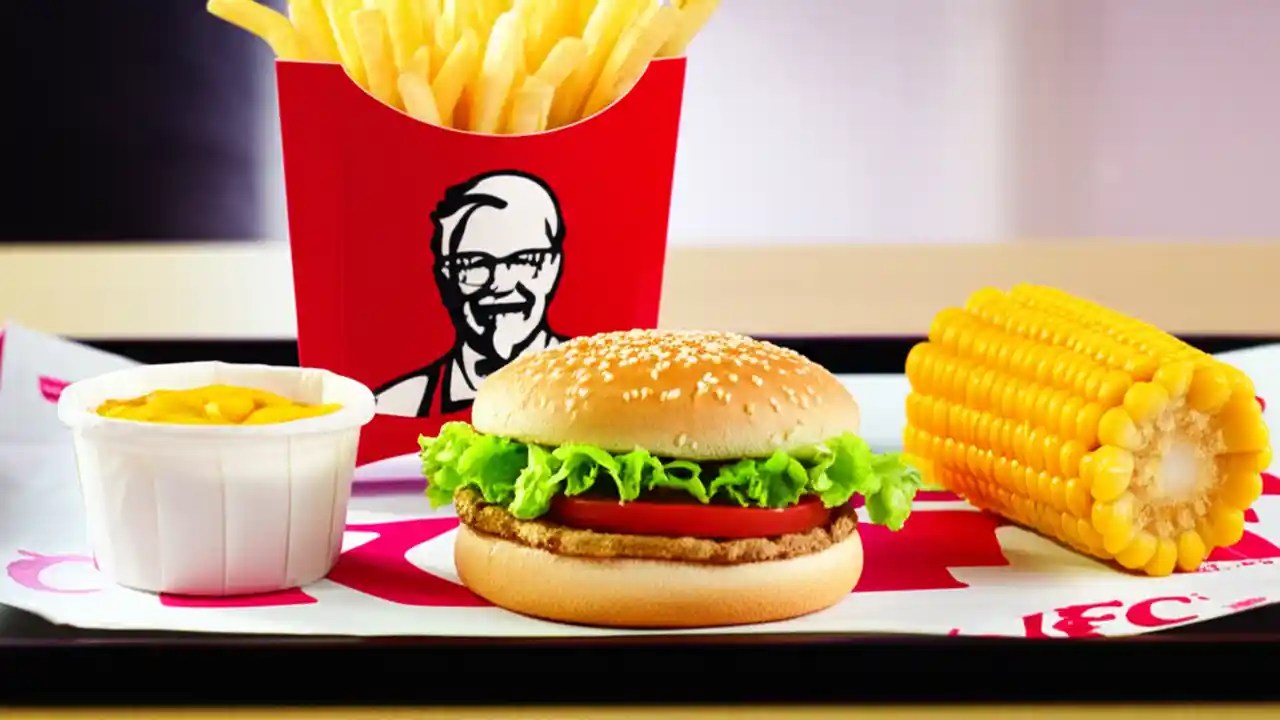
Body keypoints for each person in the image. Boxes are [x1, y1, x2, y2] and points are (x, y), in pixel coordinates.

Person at [374, 170, 569, 418]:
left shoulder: (602, 387)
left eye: (525, 260)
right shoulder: (393, 403)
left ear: (553, 267)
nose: (501, 284)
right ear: (446, 276)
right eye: (474, 263)